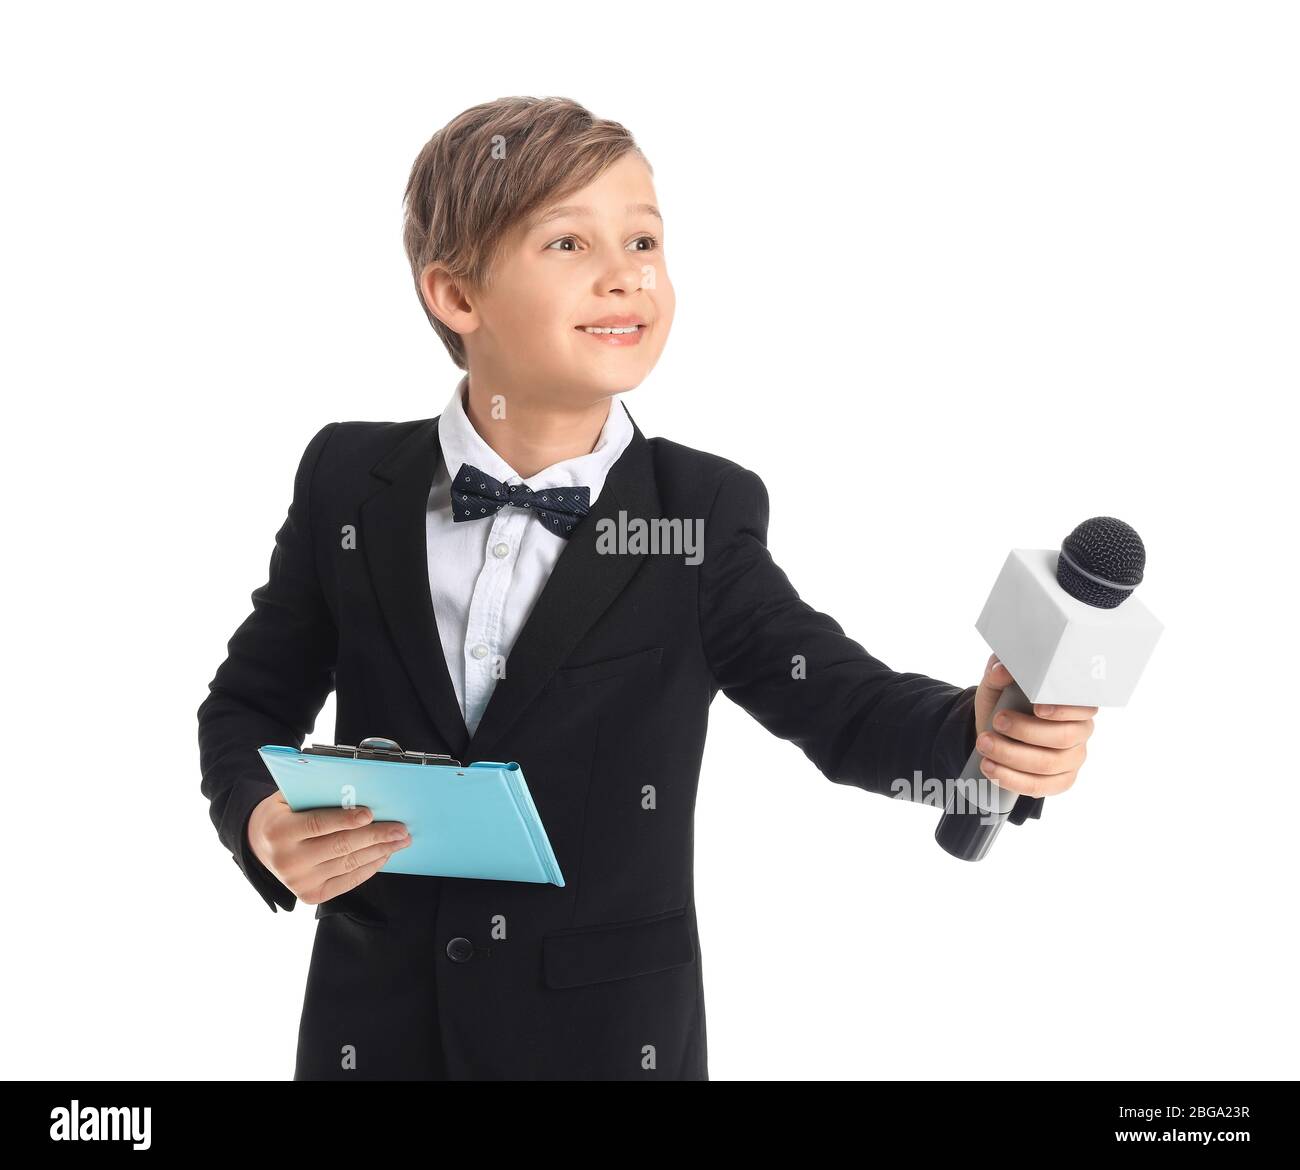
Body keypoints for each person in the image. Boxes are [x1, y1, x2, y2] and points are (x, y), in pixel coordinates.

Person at [197, 95, 1097, 1080]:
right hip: (373, 1033)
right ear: (458, 298)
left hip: (599, 1043)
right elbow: (247, 705)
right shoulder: (348, 480)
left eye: (642, 239)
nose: (624, 274)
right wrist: (259, 819)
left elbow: (836, 703)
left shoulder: (698, 512)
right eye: (567, 244)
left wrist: (978, 743)